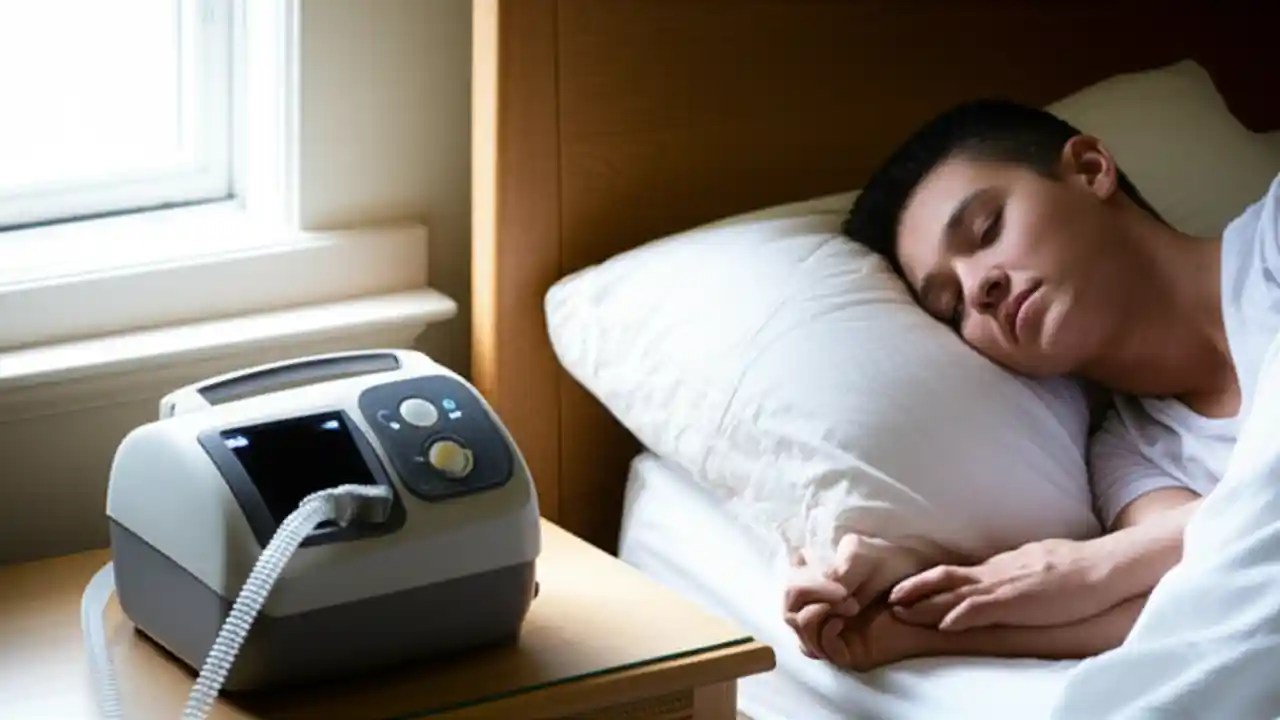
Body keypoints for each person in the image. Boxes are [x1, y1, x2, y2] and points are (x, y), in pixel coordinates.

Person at [782, 99, 1280, 670]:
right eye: (950, 307)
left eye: (986, 229)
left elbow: (1141, 559)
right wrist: (907, 622)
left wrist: (1100, 562)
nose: (978, 288)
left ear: (1091, 169)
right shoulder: (1131, 457)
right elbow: (1205, 592)